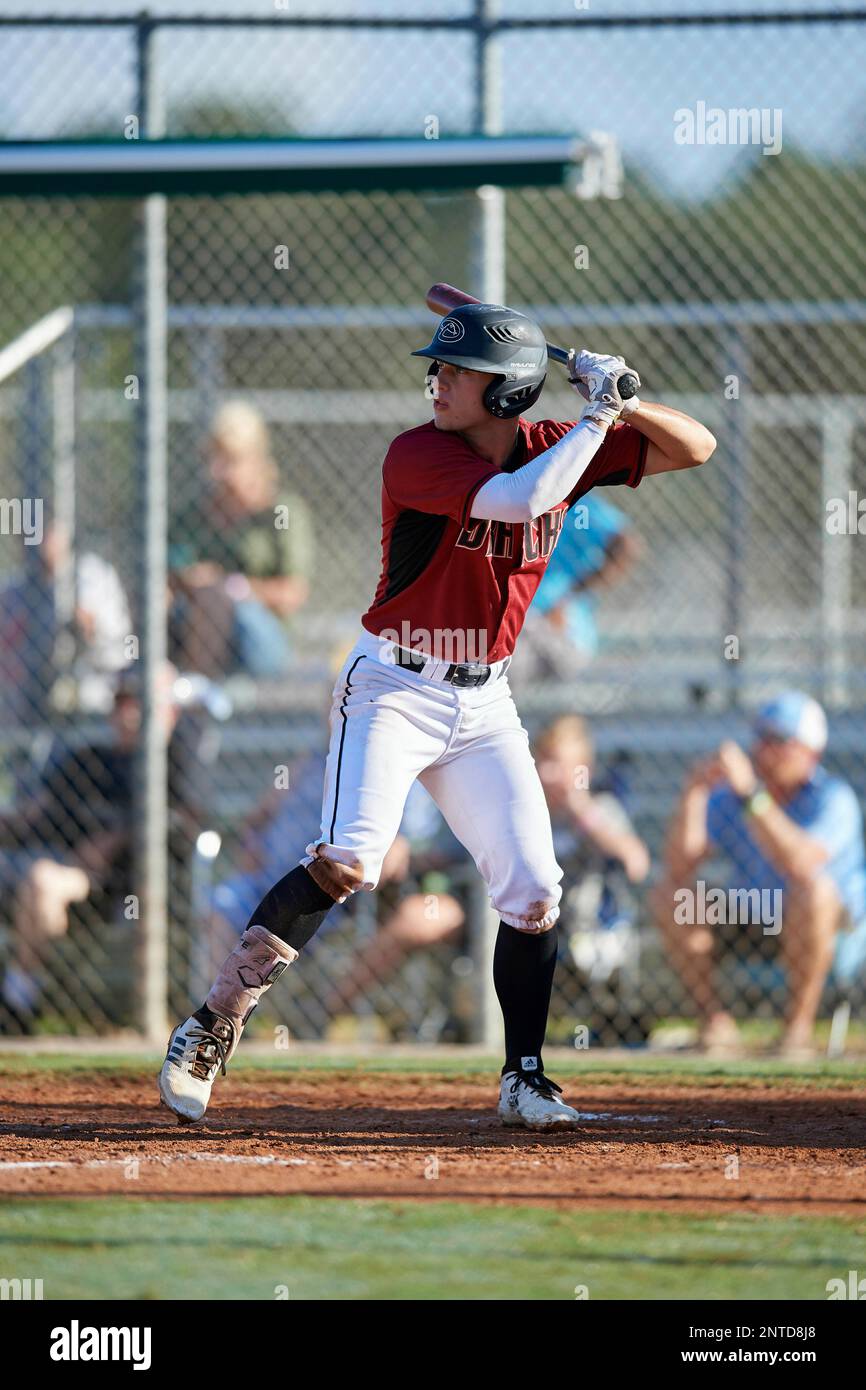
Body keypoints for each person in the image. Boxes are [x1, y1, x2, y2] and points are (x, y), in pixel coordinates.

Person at [159, 300, 715, 1128]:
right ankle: (212, 1024)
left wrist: (620, 396)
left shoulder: (557, 443)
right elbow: (525, 503)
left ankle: (524, 1076)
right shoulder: (419, 454)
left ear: (507, 392)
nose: (438, 381)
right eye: (441, 368)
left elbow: (696, 446)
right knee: (348, 861)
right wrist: (596, 416)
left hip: (486, 700)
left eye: (457, 372)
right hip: (393, 685)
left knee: (533, 890)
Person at [653, 692, 866, 1057]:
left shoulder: (833, 798)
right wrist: (695, 792)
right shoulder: (732, 797)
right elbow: (679, 867)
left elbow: (800, 862)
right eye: (761, 737)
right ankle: (717, 1025)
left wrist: (752, 794)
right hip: (754, 913)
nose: (762, 748)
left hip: (826, 927)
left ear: (810, 752)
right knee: (670, 896)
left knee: (812, 890)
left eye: (778, 739)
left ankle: (796, 1033)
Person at [204, 754, 465, 1034]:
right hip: (271, 881)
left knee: (412, 917)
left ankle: (316, 1017)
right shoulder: (308, 763)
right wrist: (252, 844)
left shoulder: (400, 765)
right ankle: (222, 1018)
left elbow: (404, 851)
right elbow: (257, 819)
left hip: (343, 890)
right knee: (224, 903)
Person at [169, 402, 311, 679]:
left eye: (231, 460)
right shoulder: (194, 515)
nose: (219, 471)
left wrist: (234, 589)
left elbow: (292, 593)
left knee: (217, 598)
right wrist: (193, 581)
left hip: (259, 636)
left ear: (256, 460)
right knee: (190, 602)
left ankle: (197, 691)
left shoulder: (280, 512)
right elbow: (170, 578)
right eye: (214, 459)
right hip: (197, 623)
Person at [534, 714, 649, 982]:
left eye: (557, 764)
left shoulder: (601, 808)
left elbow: (636, 863)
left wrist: (583, 814)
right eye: (542, 761)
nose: (546, 773)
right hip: (536, 922)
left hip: (590, 926)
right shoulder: (529, 813)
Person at [520, 493, 641, 677]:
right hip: (526, 622)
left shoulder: (577, 504)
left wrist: (571, 595)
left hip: (562, 631)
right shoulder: (520, 500)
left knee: (499, 661)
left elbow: (626, 545)